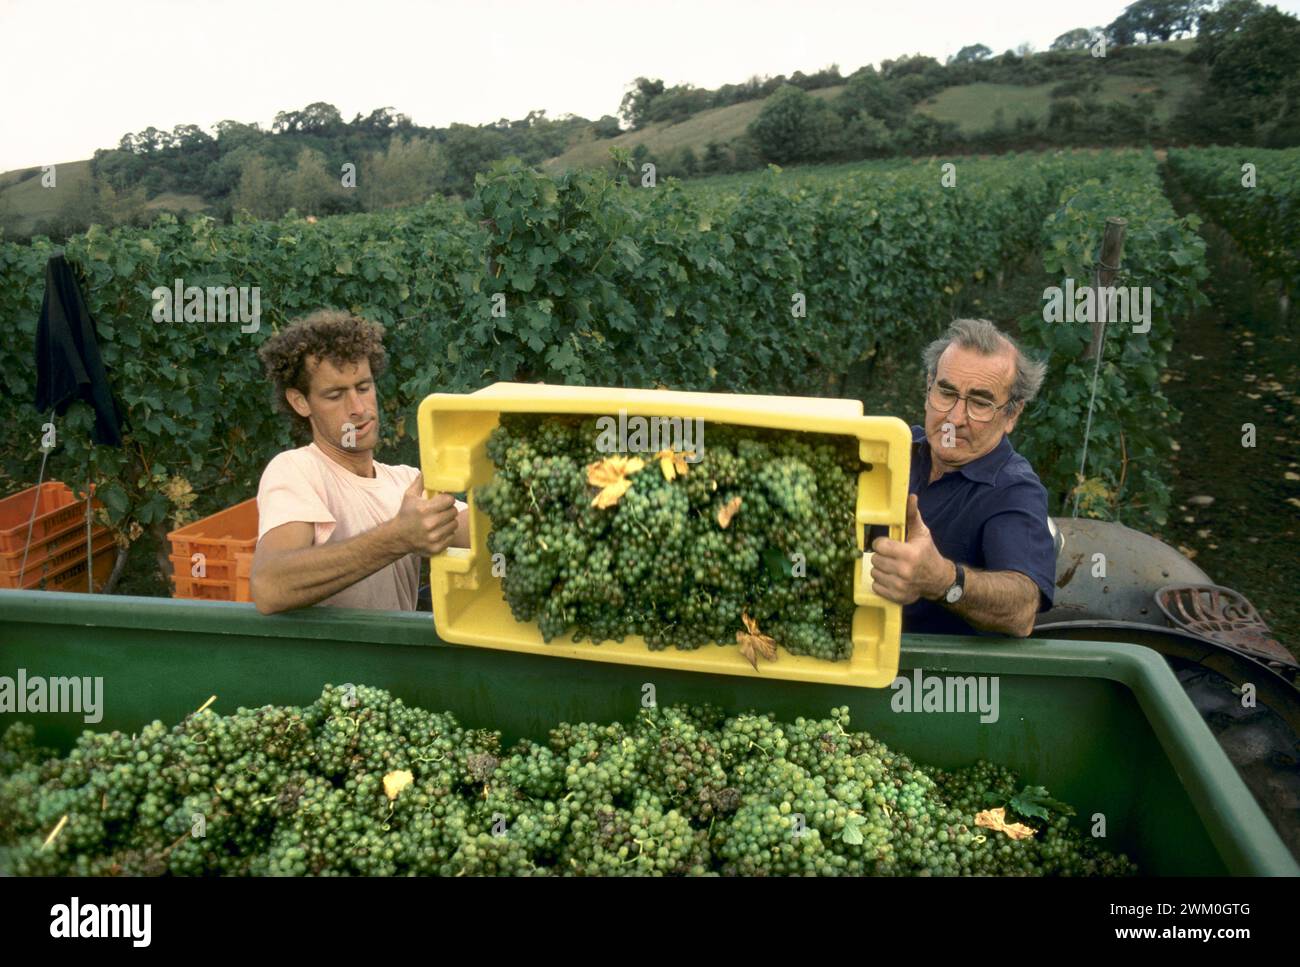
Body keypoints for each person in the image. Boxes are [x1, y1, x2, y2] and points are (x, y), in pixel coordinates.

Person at [250, 309, 468, 614]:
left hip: (395, 663)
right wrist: (397, 537)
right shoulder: (297, 471)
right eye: (335, 395)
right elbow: (269, 587)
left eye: (363, 388)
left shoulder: (406, 483)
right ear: (300, 402)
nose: (357, 408)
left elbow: (488, 536)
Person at [868, 318, 1056, 637]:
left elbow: (1021, 610)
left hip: (933, 679)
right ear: (929, 386)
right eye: (946, 393)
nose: (955, 419)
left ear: (1012, 414)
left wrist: (943, 581)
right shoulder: (890, 450)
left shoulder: (1013, 488)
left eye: (980, 403)